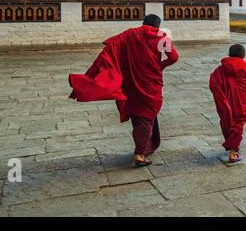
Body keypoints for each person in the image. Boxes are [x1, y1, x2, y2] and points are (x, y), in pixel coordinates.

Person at [69, 13, 179, 167]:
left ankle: (146, 145)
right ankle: (140, 154)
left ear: (143, 23)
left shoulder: (130, 34)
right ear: (158, 25)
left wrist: (91, 76)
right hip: (151, 82)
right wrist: (160, 65)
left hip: (132, 81)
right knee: (147, 114)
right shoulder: (162, 36)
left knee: (137, 112)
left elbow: (110, 48)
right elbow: (173, 57)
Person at [208, 43, 246, 164]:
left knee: (227, 122)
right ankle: (233, 149)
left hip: (227, 100)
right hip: (243, 101)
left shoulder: (221, 68)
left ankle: (231, 145)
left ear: (229, 54)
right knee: (239, 123)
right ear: (243, 55)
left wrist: (220, 95)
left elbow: (213, 81)